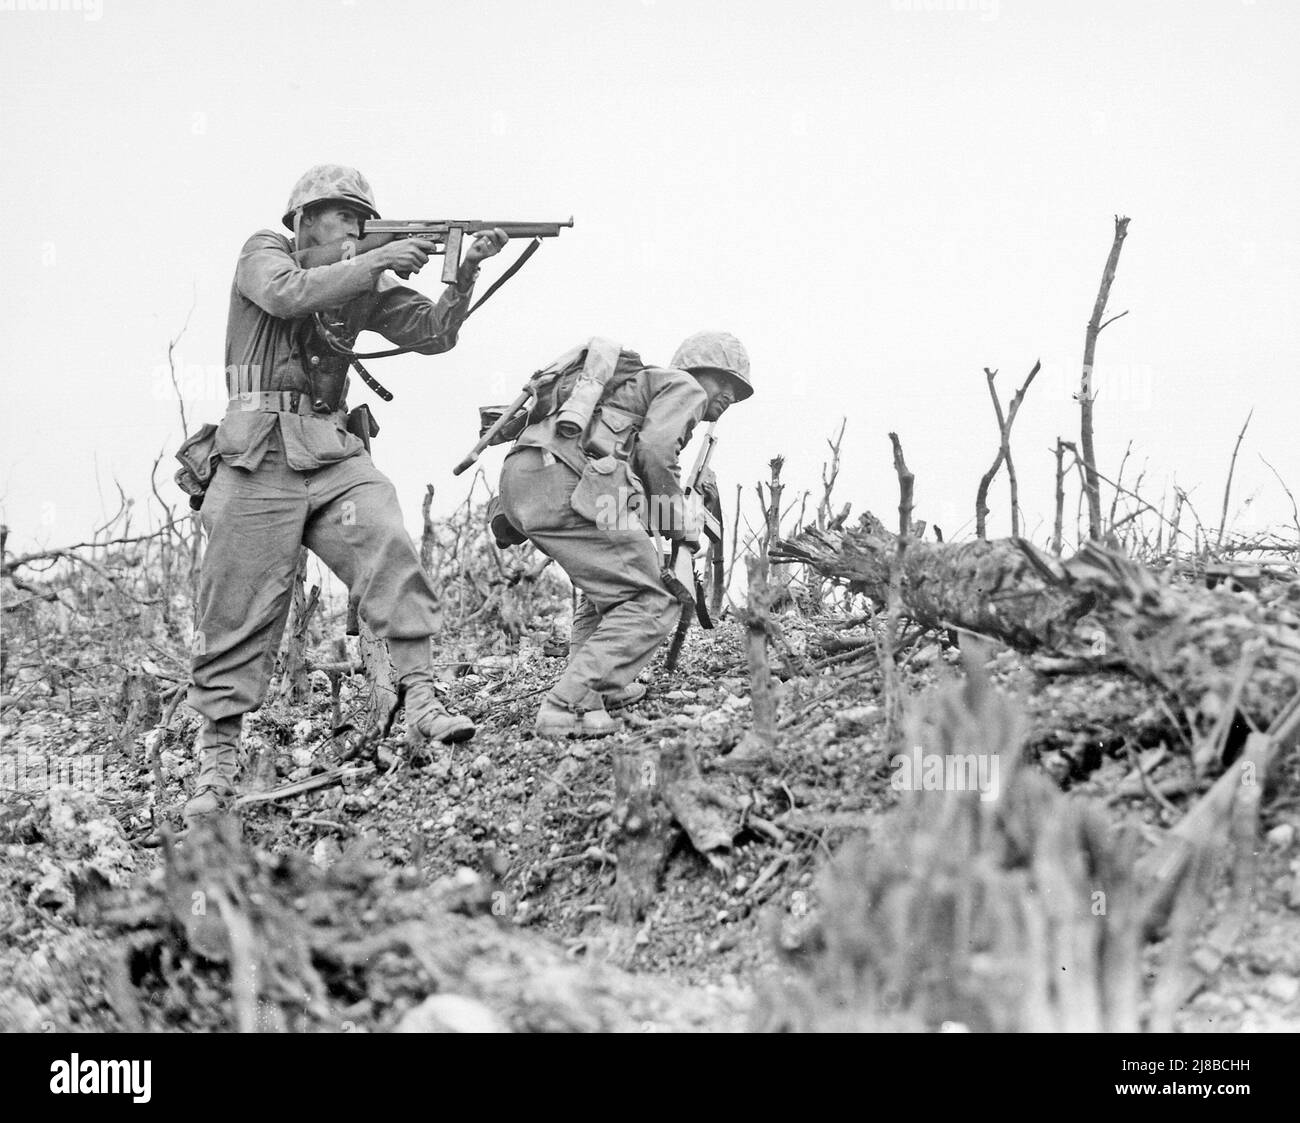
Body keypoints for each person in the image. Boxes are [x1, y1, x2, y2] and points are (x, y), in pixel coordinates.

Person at [182, 164, 507, 824]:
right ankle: (216, 765)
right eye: (344, 217)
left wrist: (463, 268)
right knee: (237, 606)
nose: (359, 225)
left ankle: (419, 694)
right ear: (305, 221)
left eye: (365, 216)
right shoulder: (264, 251)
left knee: (386, 537)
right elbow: (285, 292)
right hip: (258, 455)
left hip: (330, 451)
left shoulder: (360, 278)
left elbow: (432, 333)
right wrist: (376, 256)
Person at [497, 331, 752, 736]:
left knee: (614, 587)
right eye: (726, 383)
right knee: (651, 596)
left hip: (525, 479)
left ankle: (599, 687)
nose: (729, 398)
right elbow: (655, 452)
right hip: (565, 480)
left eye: (738, 393)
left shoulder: (635, 393)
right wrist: (678, 523)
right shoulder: (683, 387)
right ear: (700, 371)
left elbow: (630, 466)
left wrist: (654, 516)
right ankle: (572, 704)